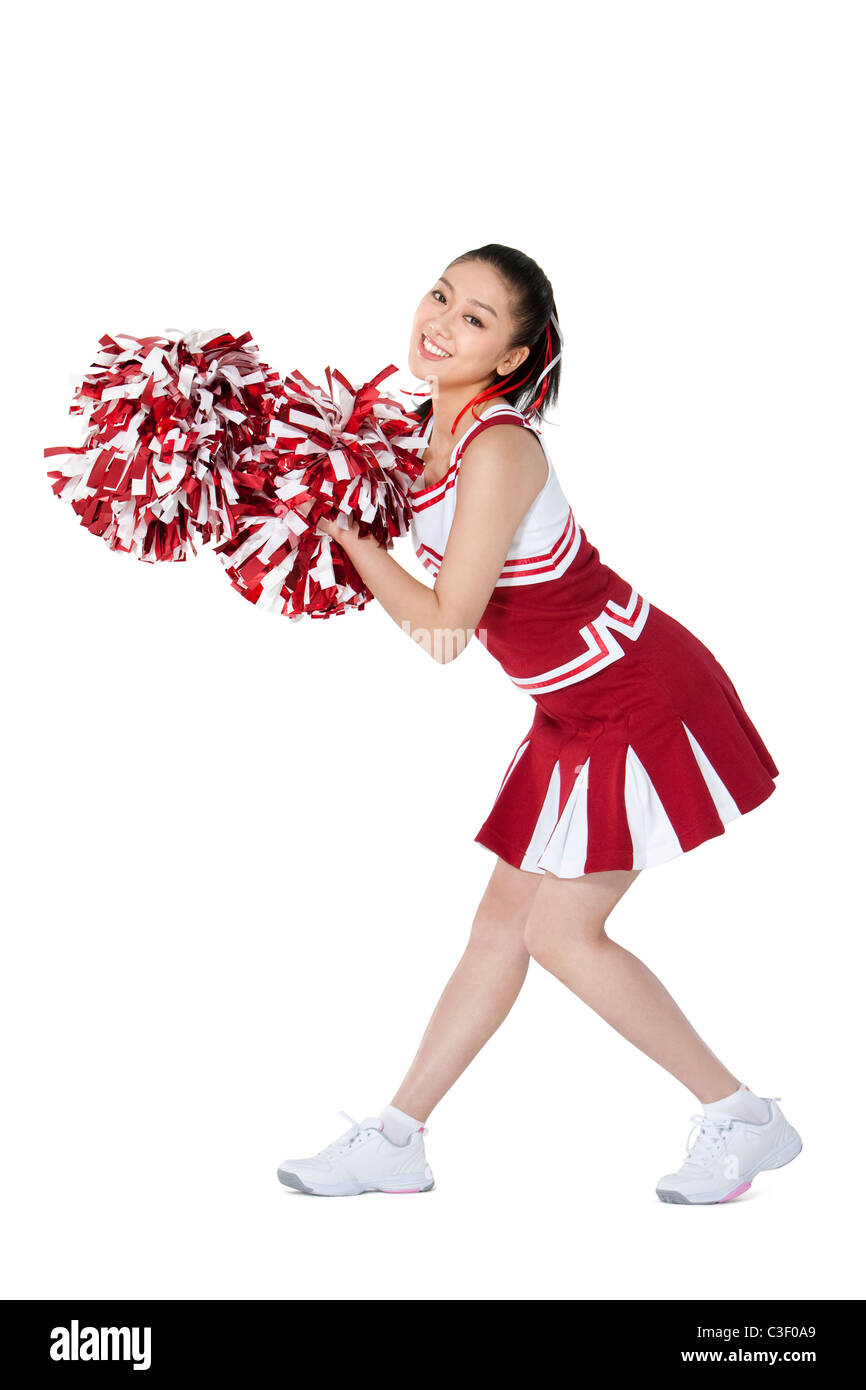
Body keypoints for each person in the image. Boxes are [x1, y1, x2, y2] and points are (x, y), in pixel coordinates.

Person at [276, 244, 802, 1205]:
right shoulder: (417, 429)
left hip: (637, 693)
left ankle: (745, 1118)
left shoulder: (501, 446)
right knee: (498, 929)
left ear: (514, 357)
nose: (440, 320)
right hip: (572, 704)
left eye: (475, 318)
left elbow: (443, 628)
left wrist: (345, 536)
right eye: (441, 294)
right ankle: (397, 1137)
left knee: (564, 934)